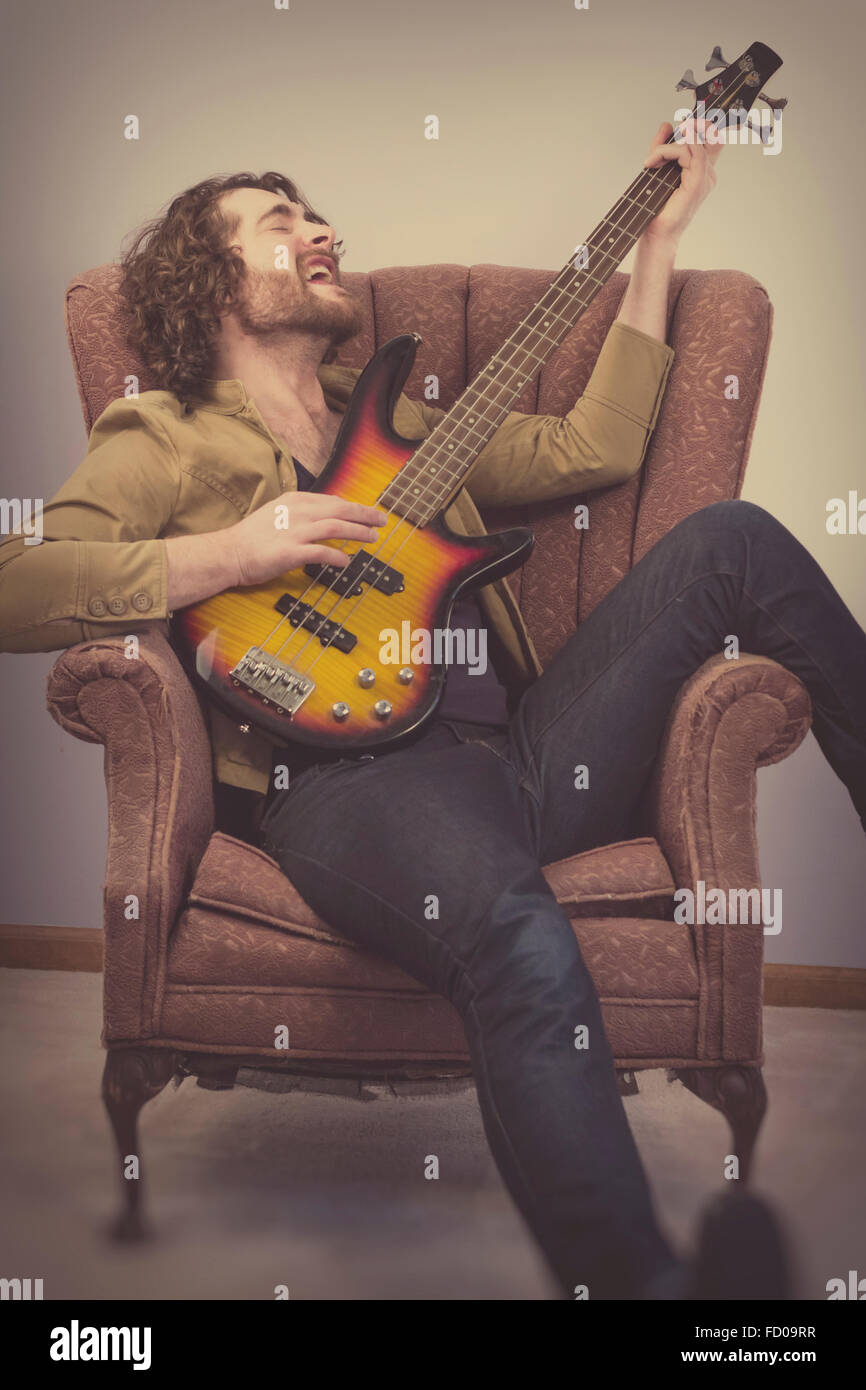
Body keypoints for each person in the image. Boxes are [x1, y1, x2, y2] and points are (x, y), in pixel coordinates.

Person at [1, 123, 864, 1300]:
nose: (320, 232)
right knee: (518, 937)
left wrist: (657, 244)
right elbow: (18, 587)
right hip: (350, 783)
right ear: (208, 285)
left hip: (529, 753)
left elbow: (593, 445)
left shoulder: (397, 416)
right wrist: (230, 550)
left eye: (317, 214)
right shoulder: (162, 436)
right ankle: (645, 1292)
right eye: (278, 221)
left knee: (732, 541)